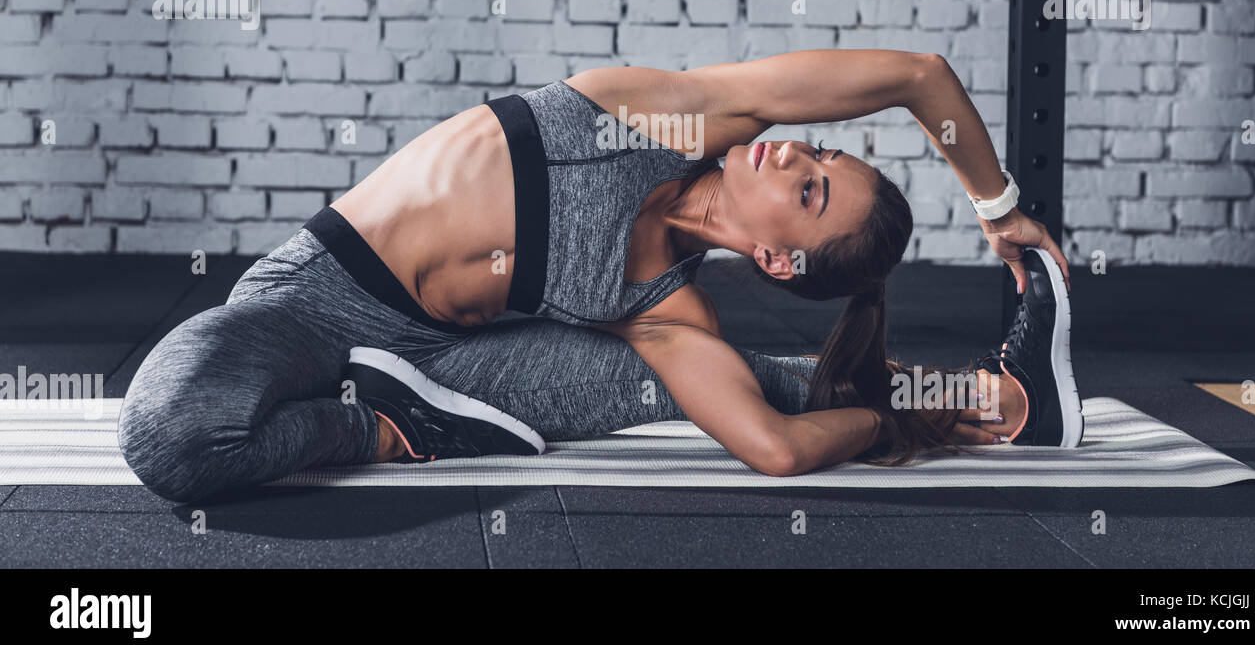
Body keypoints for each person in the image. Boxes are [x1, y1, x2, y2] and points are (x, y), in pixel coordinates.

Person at [118, 49, 1081, 503]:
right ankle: (382, 408)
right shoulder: (658, 118)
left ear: (782, 258)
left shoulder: (666, 307)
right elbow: (918, 76)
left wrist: (880, 420)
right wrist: (999, 207)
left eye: (816, 189)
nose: (791, 155)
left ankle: (998, 402)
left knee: (719, 380)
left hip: (451, 368)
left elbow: (778, 450)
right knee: (172, 433)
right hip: (317, 298)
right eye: (814, 152)